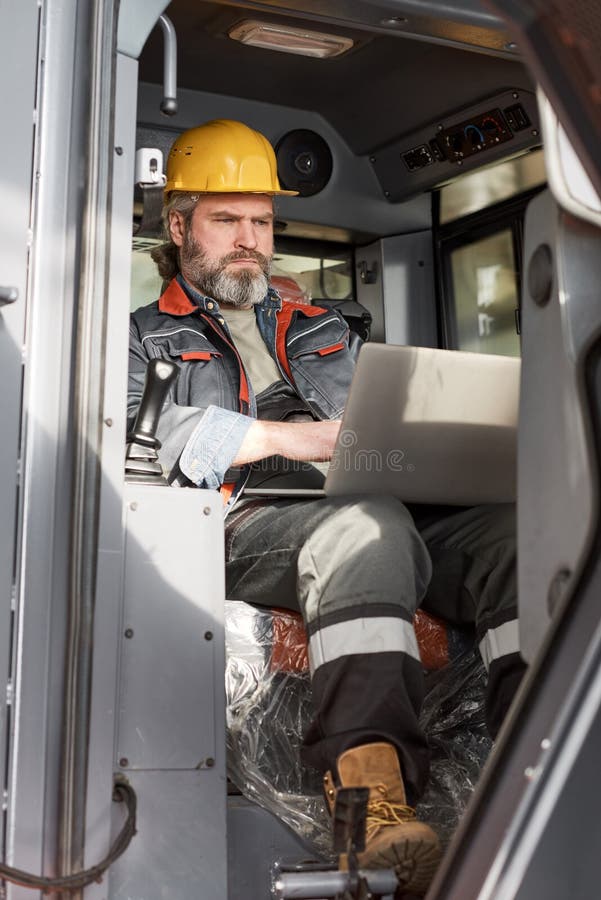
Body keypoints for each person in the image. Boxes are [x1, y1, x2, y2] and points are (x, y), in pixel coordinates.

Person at [128, 118, 526, 896]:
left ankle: (542, 762)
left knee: (521, 539)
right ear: (179, 228)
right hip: (243, 516)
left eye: (263, 221)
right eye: (227, 219)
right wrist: (296, 438)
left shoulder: (325, 329)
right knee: (364, 527)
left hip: (374, 493)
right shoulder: (142, 336)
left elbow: (379, 426)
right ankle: (373, 804)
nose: (251, 238)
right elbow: (153, 438)